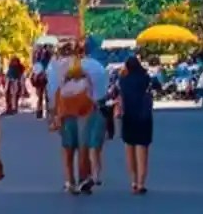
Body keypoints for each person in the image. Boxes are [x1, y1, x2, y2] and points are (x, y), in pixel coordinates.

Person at [51, 51, 96, 194]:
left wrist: (55, 116)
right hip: (82, 111)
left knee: (69, 149)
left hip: (67, 112)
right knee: (82, 147)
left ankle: (71, 180)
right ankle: (83, 177)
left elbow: (54, 92)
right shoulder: (83, 68)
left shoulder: (58, 67)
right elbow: (92, 91)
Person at [116, 55, 155, 194]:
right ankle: (141, 183)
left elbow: (119, 94)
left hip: (129, 117)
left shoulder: (123, 80)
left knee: (129, 151)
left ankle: (133, 180)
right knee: (142, 151)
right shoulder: (145, 78)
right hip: (144, 118)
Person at [79, 47, 110, 186]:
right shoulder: (98, 66)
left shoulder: (80, 68)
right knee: (96, 146)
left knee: (88, 144)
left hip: (89, 108)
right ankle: (95, 173)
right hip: (102, 107)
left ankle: (87, 175)